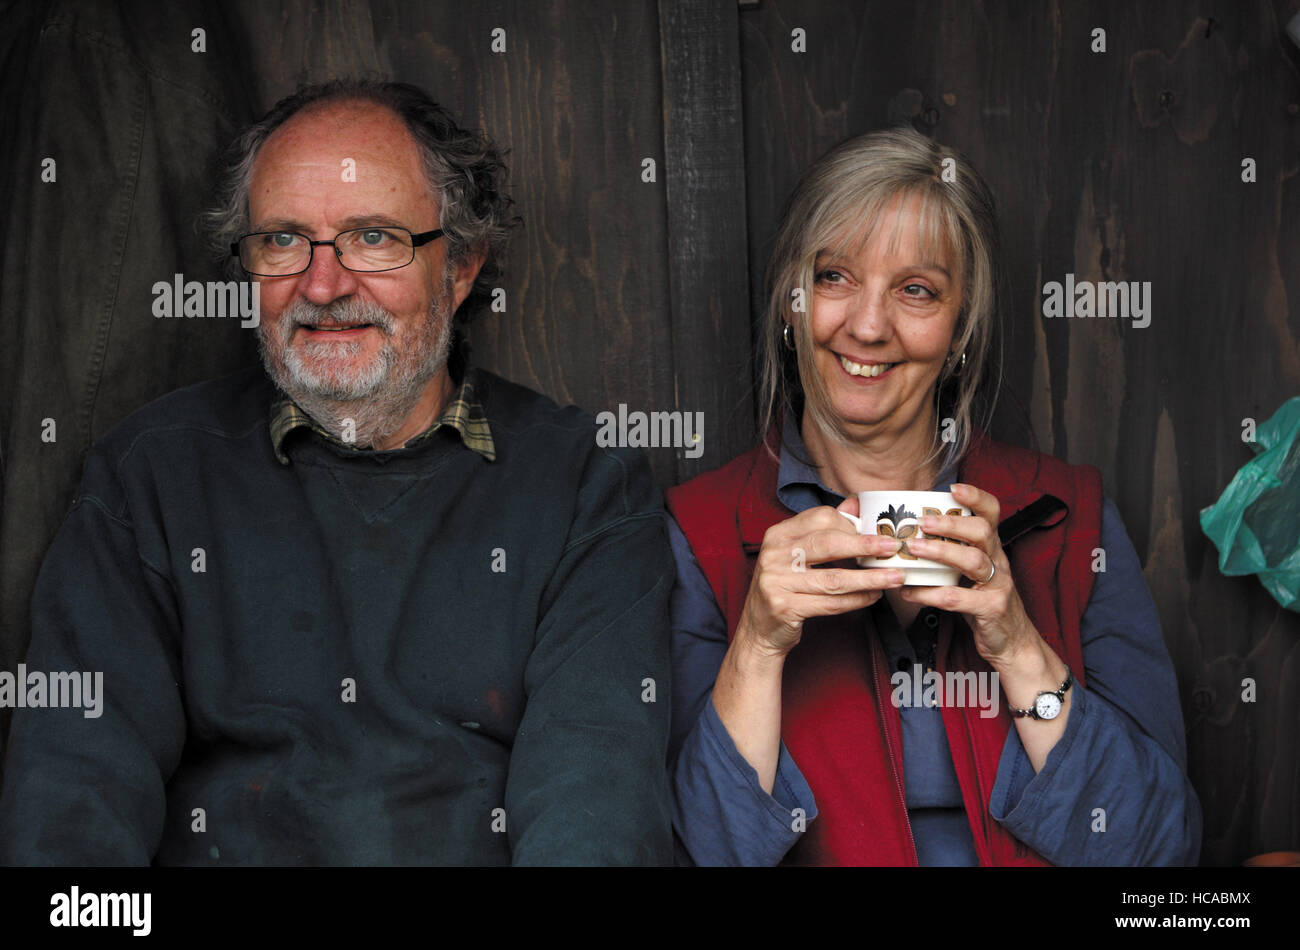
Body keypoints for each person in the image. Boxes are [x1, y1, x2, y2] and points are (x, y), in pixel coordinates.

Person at [0, 79, 674, 865]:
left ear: (460, 266)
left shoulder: (586, 485)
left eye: (374, 237)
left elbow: (596, 807)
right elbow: (73, 802)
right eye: (283, 240)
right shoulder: (150, 475)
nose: (322, 287)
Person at [665, 127, 1202, 866]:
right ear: (791, 302)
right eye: (834, 277)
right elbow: (702, 853)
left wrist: (1016, 643)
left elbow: (1157, 852)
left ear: (961, 329)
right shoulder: (701, 534)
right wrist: (758, 646)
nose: (868, 325)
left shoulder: (1069, 518)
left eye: (916, 290)